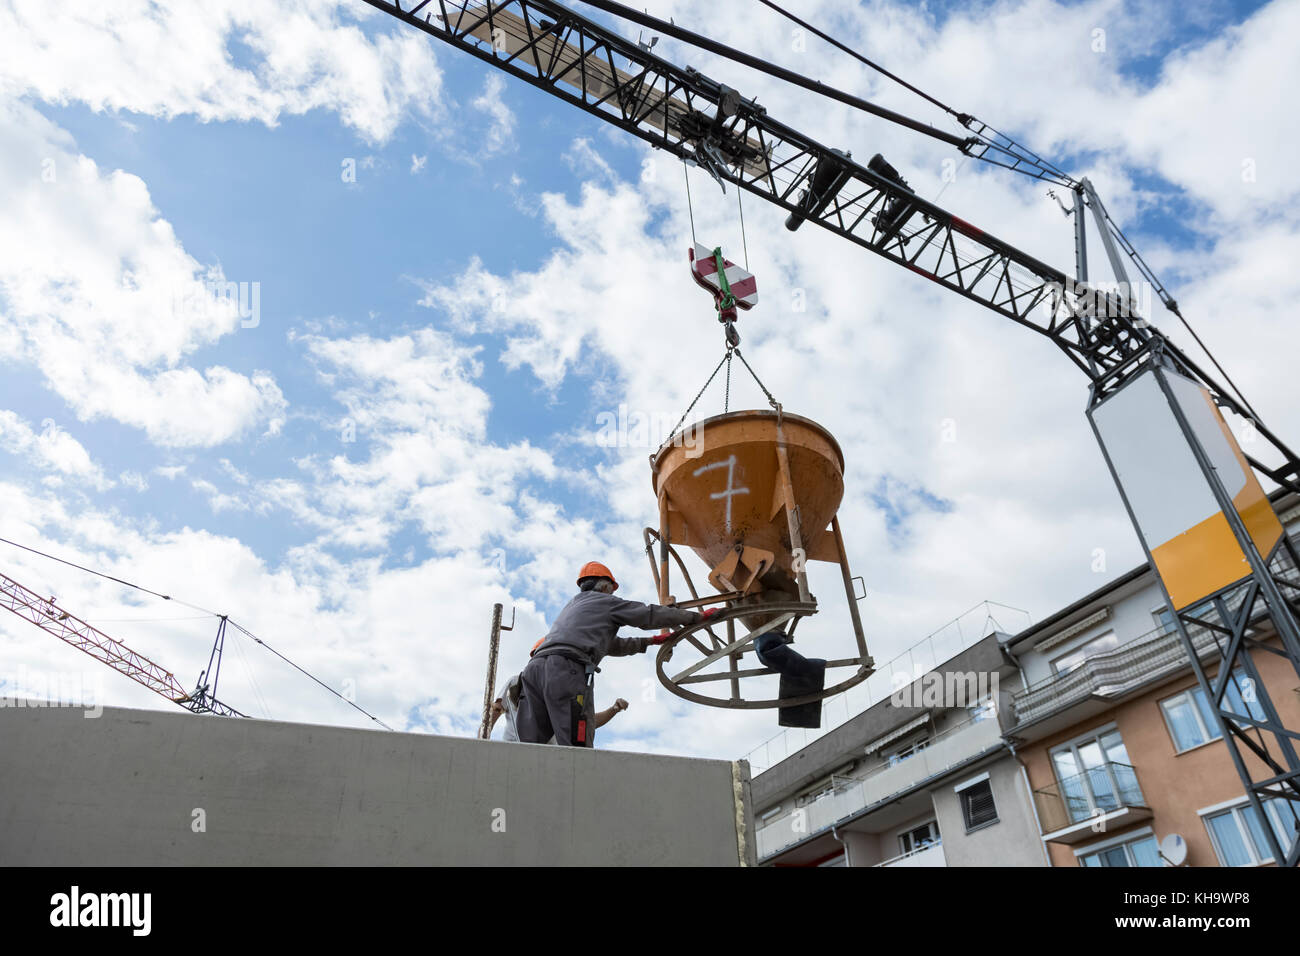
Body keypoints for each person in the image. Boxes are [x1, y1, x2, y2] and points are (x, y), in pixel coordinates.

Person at [515, 560, 717, 747]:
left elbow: (611, 645)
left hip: (534, 671)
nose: (612, 594)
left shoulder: (573, 606)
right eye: (611, 590)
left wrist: (650, 641)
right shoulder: (604, 602)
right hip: (566, 669)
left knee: (530, 745)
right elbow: (647, 614)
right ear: (604, 586)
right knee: (576, 744)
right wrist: (693, 617)